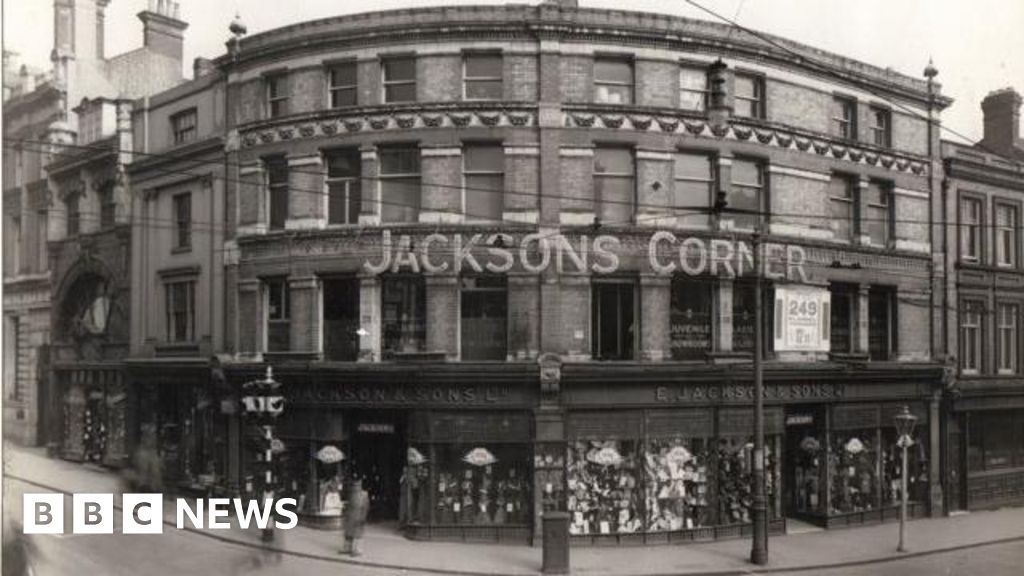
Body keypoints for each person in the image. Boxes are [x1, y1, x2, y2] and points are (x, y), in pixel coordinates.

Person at [342, 479, 370, 557]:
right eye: (354, 486)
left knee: (358, 534)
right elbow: (349, 506)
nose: (355, 487)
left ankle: (357, 550)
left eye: (357, 486)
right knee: (348, 533)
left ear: (360, 486)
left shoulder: (364, 495)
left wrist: (363, 517)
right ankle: (347, 548)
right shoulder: (352, 493)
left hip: (359, 516)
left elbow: (366, 507)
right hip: (351, 516)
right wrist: (346, 514)